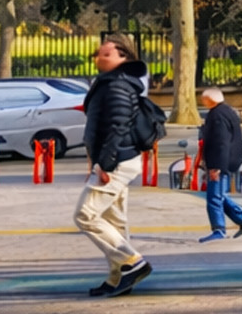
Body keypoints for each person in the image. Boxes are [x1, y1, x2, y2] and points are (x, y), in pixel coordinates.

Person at [76, 33, 153, 297]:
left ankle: (133, 262)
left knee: (85, 215)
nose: (100, 57)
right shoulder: (112, 81)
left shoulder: (118, 85)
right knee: (115, 221)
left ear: (123, 56)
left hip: (117, 160)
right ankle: (117, 279)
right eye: (99, 53)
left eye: (106, 54)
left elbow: (118, 126)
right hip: (117, 159)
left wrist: (105, 164)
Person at [196, 87, 242, 242]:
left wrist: (215, 167)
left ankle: (219, 229)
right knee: (220, 196)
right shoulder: (228, 111)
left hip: (221, 163)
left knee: (214, 197)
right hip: (230, 161)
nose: (202, 101)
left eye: (203, 99)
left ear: (211, 99)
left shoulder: (216, 116)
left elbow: (220, 143)